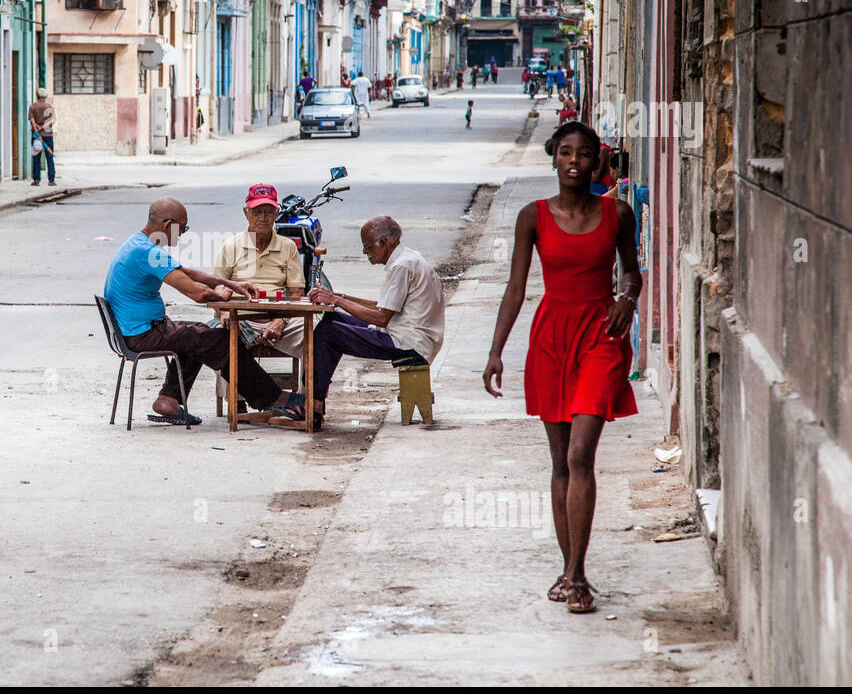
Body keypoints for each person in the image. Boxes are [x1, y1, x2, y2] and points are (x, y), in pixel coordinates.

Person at [482, 122, 642, 615]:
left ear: (598, 162)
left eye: (585, 154)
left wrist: (627, 299)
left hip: (601, 337)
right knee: (558, 464)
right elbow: (515, 288)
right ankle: (569, 567)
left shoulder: (618, 213)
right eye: (566, 153)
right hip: (551, 340)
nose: (575, 161)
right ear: (553, 159)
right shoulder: (532, 217)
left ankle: (576, 575)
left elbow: (633, 272)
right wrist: (494, 351)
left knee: (580, 456)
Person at [103, 196, 299, 426]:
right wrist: (219, 294)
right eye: (183, 228)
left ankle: (168, 399)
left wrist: (234, 285)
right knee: (218, 340)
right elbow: (197, 293)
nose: (184, 233)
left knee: (198, 333)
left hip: (139, 329)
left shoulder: (138, 243)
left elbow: (189, 272)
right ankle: (273, 398)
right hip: (140, 334)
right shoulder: (149, 253)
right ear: (168, 226)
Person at [275, 216, 444, 428]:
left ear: (383, 243)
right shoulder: (408, 259)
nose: (366, 254)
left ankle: (313, 405)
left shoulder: (402, 266)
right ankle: (310, 397)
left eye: (367, 247)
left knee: (328, 334)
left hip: (411, 343)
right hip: (410, 334)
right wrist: (337, 297)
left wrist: (335, 300)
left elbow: (381, 316)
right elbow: (380, 305)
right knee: (331, 319)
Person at [210, 183, 305, 357]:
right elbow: (217, 288)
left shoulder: (288, 247)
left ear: (276, 213)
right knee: (219, 345)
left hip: (279, 321)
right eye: (256, 211)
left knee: (314, 335)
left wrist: (280, 320)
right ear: (246, 213)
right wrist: (224, 313)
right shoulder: (231, 246)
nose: (263, 217)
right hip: (240, 320)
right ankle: (232, 384)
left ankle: (308, 384)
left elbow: (296, 292)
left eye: (269, 212)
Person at [27, 87, 56, 187]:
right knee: (50, 157)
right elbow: (52, 122)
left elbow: (32, 121)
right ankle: (51, 179)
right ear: (46, 96)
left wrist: (37, 133)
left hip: (36, 136)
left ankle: (36, 179)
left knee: (36, 157)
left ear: (37, 95)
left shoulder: (32, 107)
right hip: (48, 135)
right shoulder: (49, 106)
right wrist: (43, 127)